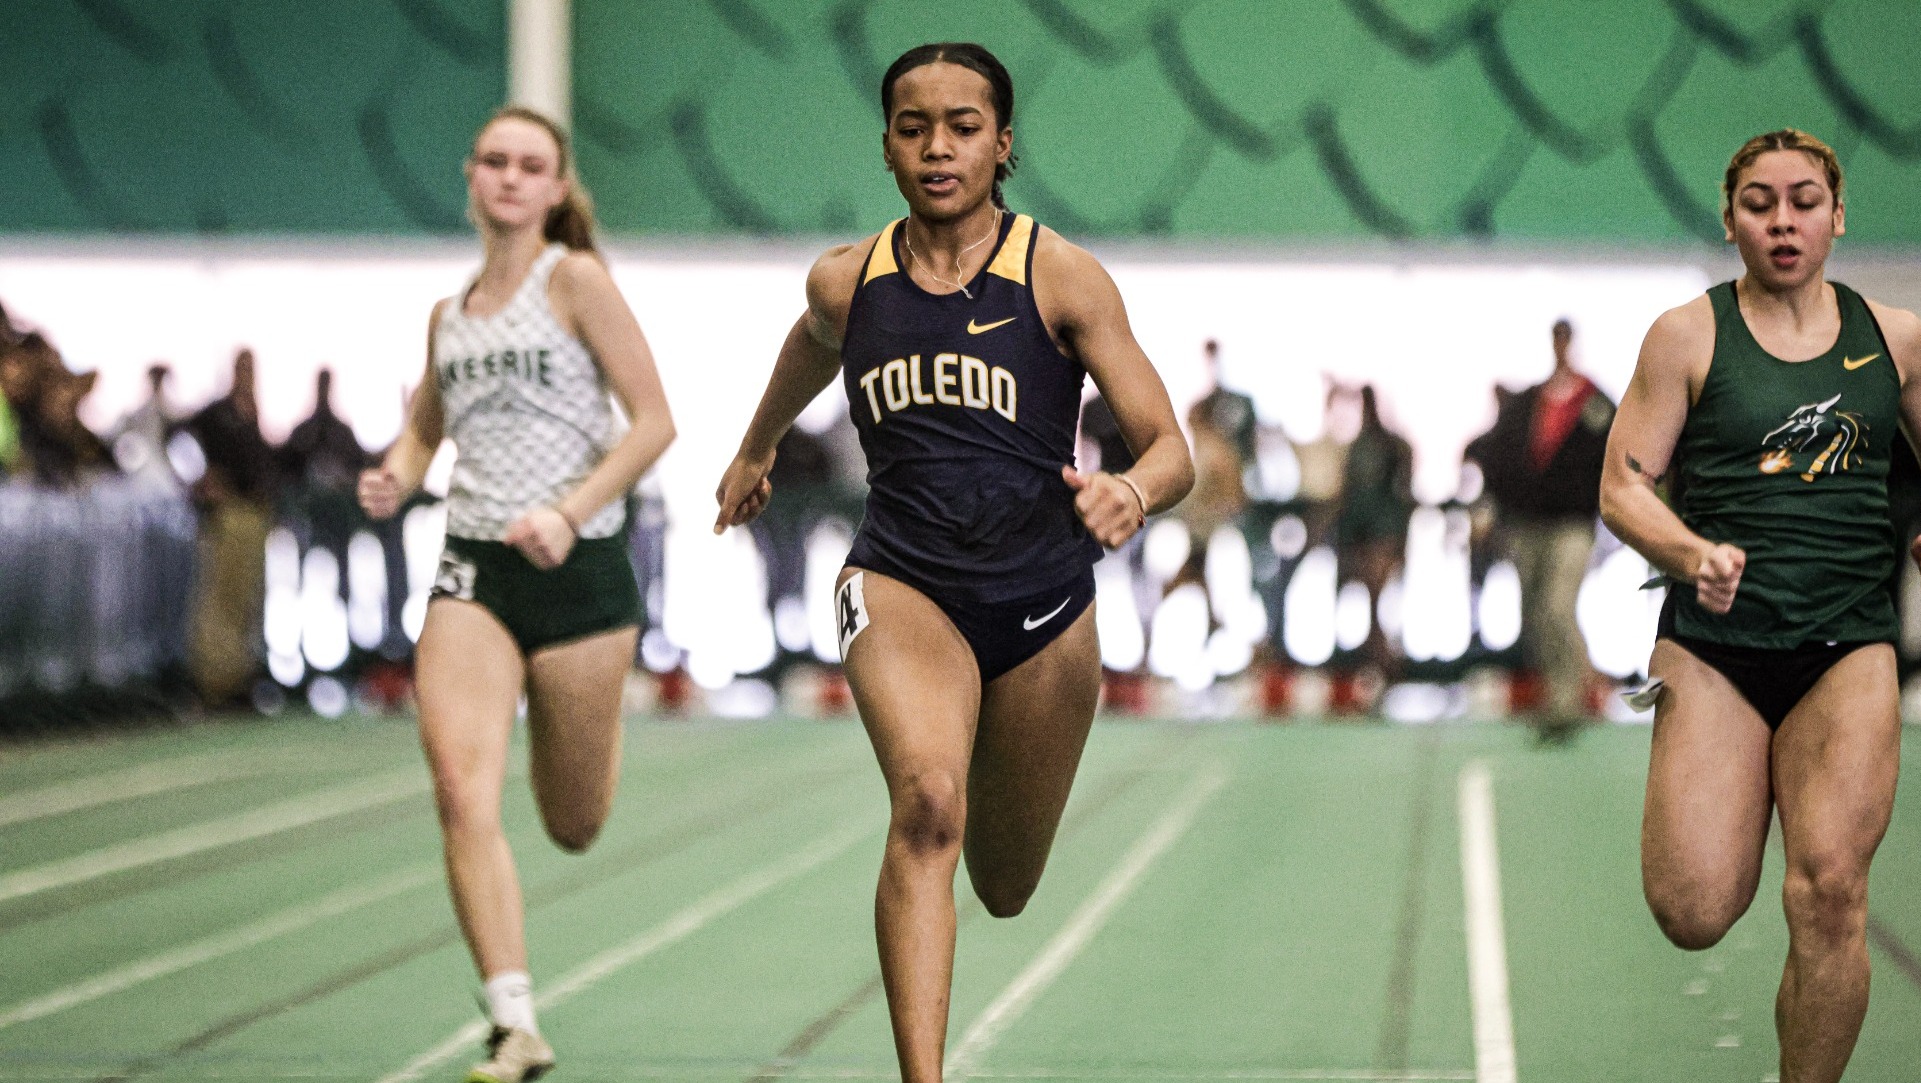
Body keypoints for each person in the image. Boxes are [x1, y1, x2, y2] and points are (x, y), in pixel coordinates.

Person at [714, 43, 1191, 1082]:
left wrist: (1131, 489)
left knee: (1005, 884)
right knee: (929, 802)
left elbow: (1170, 447)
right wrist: (755, 449)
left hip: (1043, 603)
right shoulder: (848, 281)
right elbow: (809, 344)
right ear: (886, 146)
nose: (938, 147)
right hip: (900, 582)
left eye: (963, 127)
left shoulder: (1059, 276)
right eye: (913, 127)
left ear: (1002, 144)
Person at [356, 105, 675, 1083]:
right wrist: (398, 471)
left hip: (577, 570)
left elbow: (654, 422)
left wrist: (570, 513)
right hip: (475, 568)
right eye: (493, 160)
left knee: (572, 823)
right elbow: (426, 424)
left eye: (529, 165)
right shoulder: (448, 315)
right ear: (470, 175)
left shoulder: (574, 281)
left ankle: (581, 731)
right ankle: (513, 1021)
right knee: (461, 788)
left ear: (555, 186)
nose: (508, 177)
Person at [1599, 128, 1921, 1083]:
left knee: (1829, 893)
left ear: (1837, 215)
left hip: (1847, 643)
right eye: (1759, 203)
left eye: (1803, 201)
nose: (1783, 221)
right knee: (1692, 908)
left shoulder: (1895, 338)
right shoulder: (1686, 335)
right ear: (1729, 220)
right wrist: (1688, 552)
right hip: (1713, 645)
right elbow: (1621, 486)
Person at [1467, 319, 1615, 721]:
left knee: (1557, 606)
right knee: (1534, 613)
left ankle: (1571, 697)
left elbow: (1615, 458)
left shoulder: (1595, 403)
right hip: (1527, 524)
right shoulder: (1529, 402)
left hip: (1572, 524)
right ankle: (1562, 692)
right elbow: (1493, 454)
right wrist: (1489, 508)